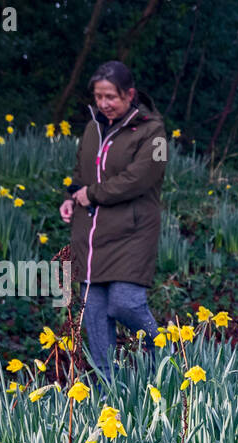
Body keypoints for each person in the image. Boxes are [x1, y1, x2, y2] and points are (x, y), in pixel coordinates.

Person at [59, 60, 166, 383]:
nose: (104, 104)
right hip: (90, 234)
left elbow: (143, 177)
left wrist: (93, 193)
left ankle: (163, 359)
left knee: (125, 304)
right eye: (98, 96)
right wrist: (72, 197)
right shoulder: (93, 127)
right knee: (93, 315)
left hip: (133, 232)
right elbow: (81, 174)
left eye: (111, 97)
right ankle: (107, 387)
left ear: (129, 94)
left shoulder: (154, 132)